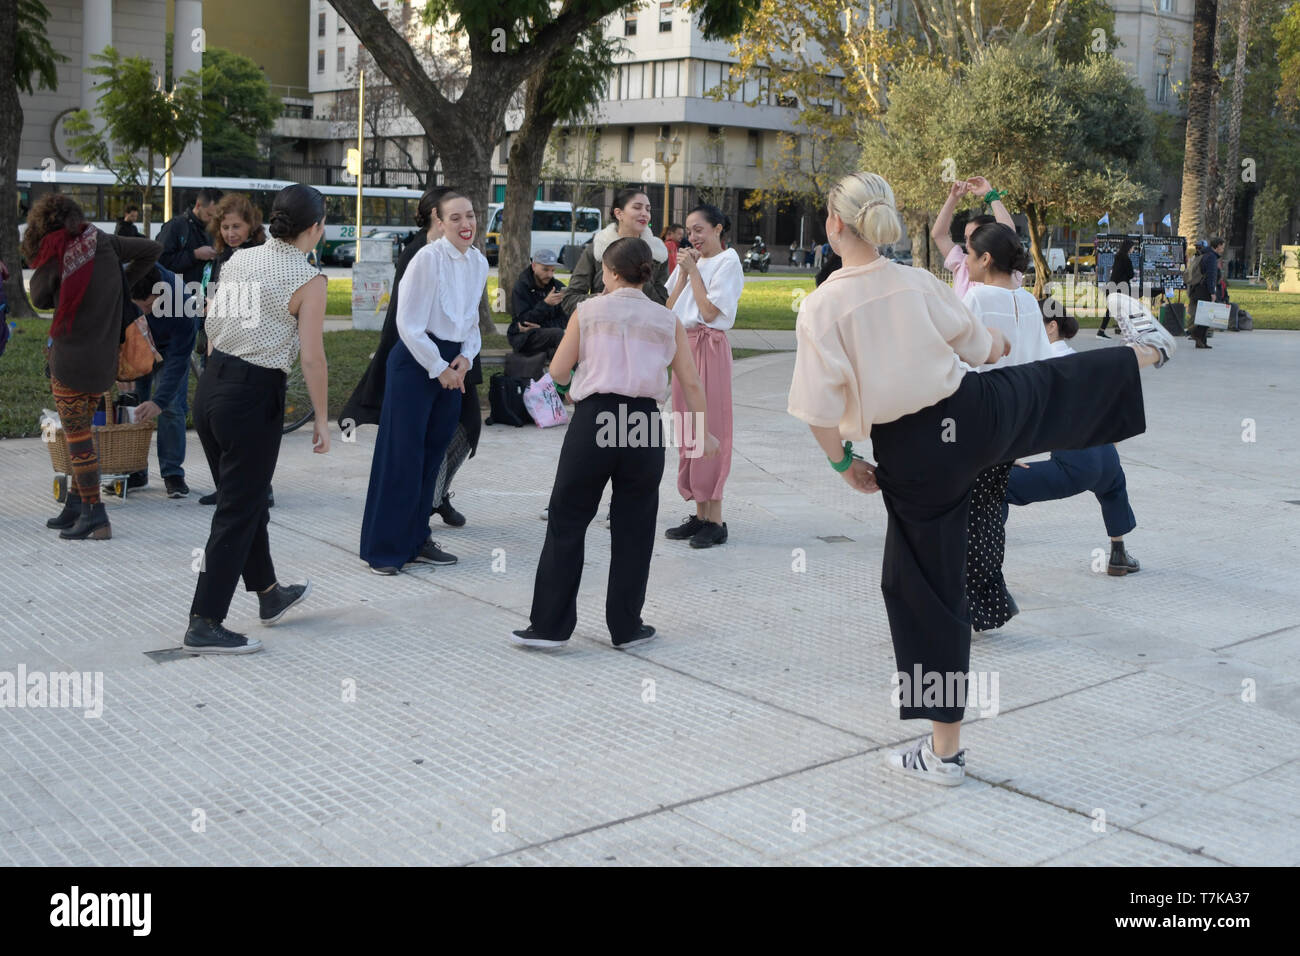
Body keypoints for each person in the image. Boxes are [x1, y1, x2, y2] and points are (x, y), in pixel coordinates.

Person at [786, 171, 1175, 786]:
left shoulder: (822, 306)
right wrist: (1000, 342)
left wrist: (844, 464)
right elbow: (982, 348)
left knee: (923, 590)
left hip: (916, 451)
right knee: (1049, 386)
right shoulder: (917, 283)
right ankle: (1147, 352)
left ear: (834, 224)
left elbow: (817, 411)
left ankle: (944, 754)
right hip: (973, 413)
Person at [510, 237, 719, 650]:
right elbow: (690, 383)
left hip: (595, 419)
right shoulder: (665, 319)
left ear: (608, 272)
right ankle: (626, 628)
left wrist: (572, 391)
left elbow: (558, 368)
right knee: (635, 527)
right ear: (647, 273)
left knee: (568, 519)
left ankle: (550, 627)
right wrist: (704, 432)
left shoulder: (588, 311)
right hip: (642, 423)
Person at [184, 184, 330, 654]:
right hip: (250, 397)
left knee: (242, 500)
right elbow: (312, 359)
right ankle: (204, 621)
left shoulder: (240, 258)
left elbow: (210, 325)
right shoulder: (309, 281)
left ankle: (268, 594)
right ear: (316, 228)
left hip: (210, 388)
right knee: (238, 509)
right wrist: (323, 420)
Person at [359, 192, 486, 575]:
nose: (466, 224)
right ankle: (384, 550)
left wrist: (465, 359)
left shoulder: (478, 261)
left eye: (471, 215)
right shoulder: (426, 260)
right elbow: (408, 325)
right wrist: (439, 367)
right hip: (416, 365)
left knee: (433, 458)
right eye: (456, 218)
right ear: (440, 220)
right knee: (402, 458)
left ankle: (416, 540)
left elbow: (471, 323)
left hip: (451, 367)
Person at [26, 194, 161, 540]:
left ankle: (96, 515)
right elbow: (151, 250)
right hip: (103, 362)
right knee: (82, 432)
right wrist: (121, 286)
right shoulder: (103, 241)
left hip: (70, 361)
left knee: (78, 438)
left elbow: (39, 298)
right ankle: (75, 504)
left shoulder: (57, 251)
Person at [961, 222, 1054, 633]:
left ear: (985, 259)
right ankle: (989, 596)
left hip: (980, 411)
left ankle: (976, 600)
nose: (964, 261)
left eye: (969, 253)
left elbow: (960, 353)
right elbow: (1042, 361)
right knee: (991, 510)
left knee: (969, 511)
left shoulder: (977, 297)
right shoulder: (1030, 302)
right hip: (1016, 417)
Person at [1004, 300, 1141, 576]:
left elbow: (1020, 419)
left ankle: (984, 561)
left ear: (1051, 327)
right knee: (1114, 486)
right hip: (1105, 457)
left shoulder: (1040, 367)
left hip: (1075, 466)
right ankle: (1118, 554)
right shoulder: (1081, 360)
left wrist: (1004, 459)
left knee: (993, 485)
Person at [663, 203, 743, 549]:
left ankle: (716, 519)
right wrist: (683, 274)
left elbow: (710, 312)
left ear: (718, 229)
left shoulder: (728, 262)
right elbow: (667, 310)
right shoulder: (690, 264)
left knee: (711, 427)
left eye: (699, 230)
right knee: (687, 427)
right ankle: (699, 513)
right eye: (689, 230)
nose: (692, 236)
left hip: (708, 346)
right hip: (684, 345)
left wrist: (694, 273)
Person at [195, 193, 272, 504]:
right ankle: (228, 485)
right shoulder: (221, 256)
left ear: (250, 225)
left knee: (242, 427)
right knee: (210, 422)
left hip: (245, 350)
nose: (230, 233)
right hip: (217, 347)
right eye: (225, 226)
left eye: (237, 226)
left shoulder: (258, 255)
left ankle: (257, 489)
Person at [125, 264, 199, 498]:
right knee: (134, 406)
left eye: (150, 305)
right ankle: (135, 470)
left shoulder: (183, 303)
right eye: (140, 307)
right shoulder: (120, 286)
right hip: (135, 346)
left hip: (169, 351)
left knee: (171, 407)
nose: (146, 311)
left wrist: (160, 400)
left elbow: (179, 359)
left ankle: (173, 473)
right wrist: (118, 370)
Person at [561, 188, 669, 315]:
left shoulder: (658, 253)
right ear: (618, 213)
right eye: (637, 207)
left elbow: (663, 304)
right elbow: (570, 300)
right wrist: (601, 298)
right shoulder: (597, 249)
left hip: (643, 327)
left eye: (648, 209)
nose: (644, 213)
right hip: (603, 326)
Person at [931, 175, 1021, 299]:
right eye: (966, 238)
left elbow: (1008, 233)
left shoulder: (1006, 270)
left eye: (973, 237)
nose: (968, 244)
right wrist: (953, 197)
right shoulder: (963, 264)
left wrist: (991, 195)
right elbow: (939, 235)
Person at [157, 188, 223, 290]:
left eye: (216, 217)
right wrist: (195, 254)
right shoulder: (175, 226)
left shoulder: (213, 229)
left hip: (202, 296)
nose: (212, 220)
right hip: (176, 295)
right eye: (209, 215)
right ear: (198, 205)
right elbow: (161, 262)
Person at [507, 249, 567, 357]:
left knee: (571, 337)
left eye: (553, 270)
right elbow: (524, 321)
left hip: (547, 334)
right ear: (534, 266)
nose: (549, 274)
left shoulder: (557, 287)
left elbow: (565, 320)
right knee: (558, 335)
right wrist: (546, 304)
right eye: (545, 269)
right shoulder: (521, 287)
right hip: (524, 337)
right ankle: (577, 372)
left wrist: (542, 327)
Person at [1188, 237, 1224, 349]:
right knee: (1206, 316)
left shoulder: (1204, 255)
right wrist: (1212, 292)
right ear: (1217, 246)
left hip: (1197, 288)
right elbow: (1211, 276)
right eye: (1222, 246)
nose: (1223, 248)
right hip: (1204, 289)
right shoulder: (1211, 257)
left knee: (1202, 316)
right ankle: (1197, 335)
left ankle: (1201, 341)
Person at [1098, 237, 1135, 338]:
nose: (1133, 250)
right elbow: (1131, 274)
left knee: (1111, 309)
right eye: (1132, 248)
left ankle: (1101, 331)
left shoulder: (1117, 258)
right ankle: (1128, 331)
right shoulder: (1126, 259)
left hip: (1112, 286)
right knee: (1125, 309)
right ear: (1128, 248)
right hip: (1122, 288)